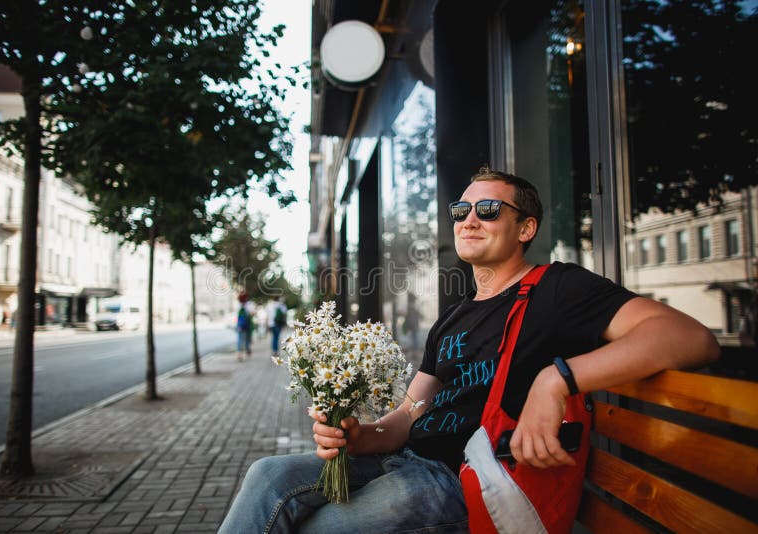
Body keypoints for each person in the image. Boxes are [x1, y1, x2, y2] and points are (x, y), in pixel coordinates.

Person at [218, 168, 720, 533]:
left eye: (488, 210)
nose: (469, 220)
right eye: (462, 210)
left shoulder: (558, 289)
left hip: (466, 479)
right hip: (407, 461)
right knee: (268, 475)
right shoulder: (454, 316)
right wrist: (356, 436)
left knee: (318, 528)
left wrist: (556, 380)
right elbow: (406, 417)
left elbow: (691, 339)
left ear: (525, 229)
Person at [236, 292, 255, 362]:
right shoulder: (249, 305)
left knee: (240, 339)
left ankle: (239, 354)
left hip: (240, 325)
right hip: (247, 325)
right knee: (247, 338)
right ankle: (247, 350)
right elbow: (252, 313)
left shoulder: (238, 305)